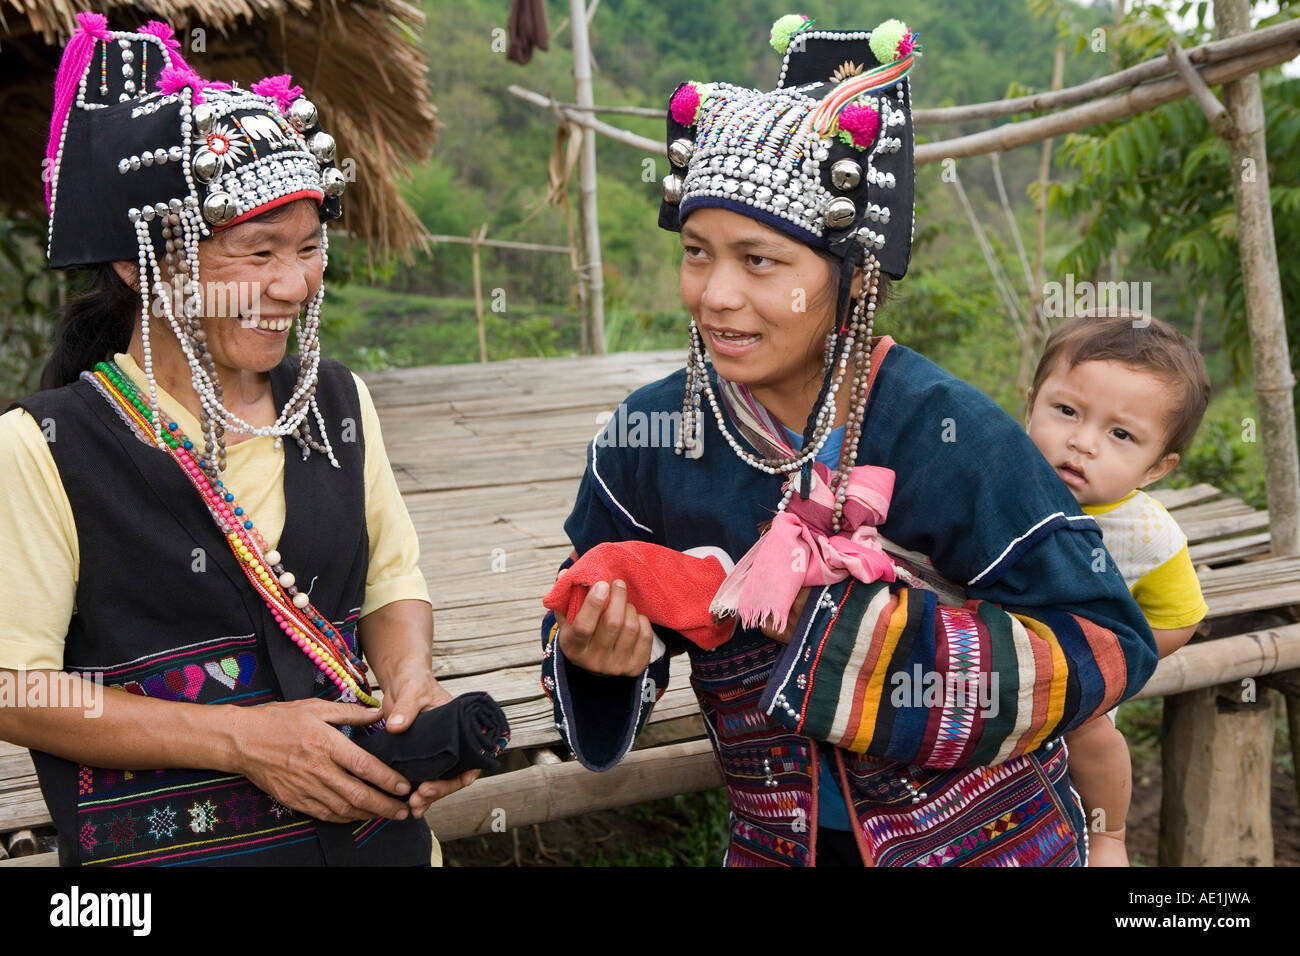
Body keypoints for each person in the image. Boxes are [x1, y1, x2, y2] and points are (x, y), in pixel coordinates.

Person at [539, 14, 1159, 867]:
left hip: (986, 845)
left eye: (759, 262)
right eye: (696, 252)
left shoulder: (951, 434)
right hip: (777, 844)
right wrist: (597, 655)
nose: (716, 294)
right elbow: (581, 607)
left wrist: (863, 646)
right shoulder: (648, 441)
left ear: (854, 274)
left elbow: (1108, 638)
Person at [0, 12, 476, 866]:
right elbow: (15, 687)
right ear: (143, 260)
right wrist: (239, 741)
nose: (292, 285)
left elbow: (394, 577)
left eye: (306, 249)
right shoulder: (43, 448)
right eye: (256, 253)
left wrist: (411, 687)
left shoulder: (335, 404)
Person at [1026, 310, 1211, 866]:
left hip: (1073, 675)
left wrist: (1114, 662)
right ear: (1030, 403)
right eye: (1066, 411)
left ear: (1157, 466)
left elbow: (1182, 615)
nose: (1081, 442)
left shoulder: (1148, 534)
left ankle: (1109, 836)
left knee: (1093, 736)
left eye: (1120, 434)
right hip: (976, 654)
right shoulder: (1000, 477)